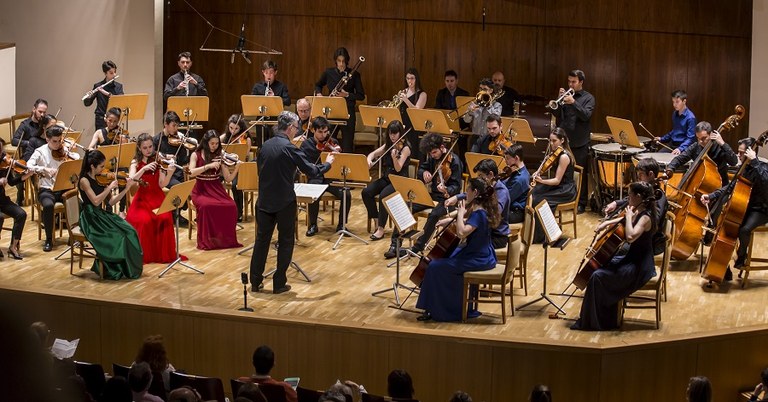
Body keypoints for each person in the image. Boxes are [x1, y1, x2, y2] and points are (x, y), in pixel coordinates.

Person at [250, 111, 334, 294]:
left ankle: (255, 282)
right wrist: (328, 164)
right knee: (286, 241)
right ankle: (279, 283)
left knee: (261, 241)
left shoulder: (264, 146)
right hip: (284, 202)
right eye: (296, 128)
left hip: (263, 201)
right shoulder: (290, 148)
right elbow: (312, 170)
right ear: (289, 128)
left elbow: (260, 172)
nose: (297, 131)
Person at [571, 181, 658, 331]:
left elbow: (630, 236)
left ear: (638, 196)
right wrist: (607, 223)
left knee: (597, 276)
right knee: (604, 265)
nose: (628, 198)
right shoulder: (640, 209)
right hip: (632, 259)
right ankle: (605, 318)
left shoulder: (646, 217)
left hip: (638, 267)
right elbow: (624, 220)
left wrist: (629, 217)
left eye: (629, 195)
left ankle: (593, 322)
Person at [416, 177, 499, 322]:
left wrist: (460, 213)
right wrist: (450, 220)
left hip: (478, 258)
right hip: (482, 254)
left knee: (435, 266)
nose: (465, 191)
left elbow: (462, 232)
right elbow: (471, 223)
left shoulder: (479, 212)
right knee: (447, 257)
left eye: (467, 189)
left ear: (475, 192)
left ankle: (445, 310)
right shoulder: (483, 208)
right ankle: (445, 304)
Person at [384, 133, 462, 259]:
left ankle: (417, 247)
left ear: (442, 147)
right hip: (432, 196)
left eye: (435, 152)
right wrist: (424, 172)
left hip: (449, 199)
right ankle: (395, 244)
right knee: (407, 207)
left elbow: (457, 186)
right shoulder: (432, 158)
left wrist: (446, 189)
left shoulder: (455, 162)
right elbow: (421, 169)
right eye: (431, 153)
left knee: (434, 215)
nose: (433, 155)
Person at [701, 137, 768, 280]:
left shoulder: (762, 167)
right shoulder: (742, 168)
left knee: (744, 229)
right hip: (745, 207)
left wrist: (755, 162)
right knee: (727, 229)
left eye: (742, 152)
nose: (738, 155)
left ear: (751, 152)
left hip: (761, 209)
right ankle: (724, 269)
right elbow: (731, 187)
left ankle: (741, 257)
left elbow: (766, 184)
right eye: (738, 152)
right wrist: (712, 196)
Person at [78, 150, 143, 280]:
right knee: (119, 237)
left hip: (100, 214)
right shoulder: (84, 180)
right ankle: (113, 268)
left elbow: (112, 201)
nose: (104, 169)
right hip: (90, 217)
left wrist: (126, 188)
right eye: (101, 166)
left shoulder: (101, 178)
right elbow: (95, 201)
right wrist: (109, 187)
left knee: (130, 231)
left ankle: (127, 268)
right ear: (92, 166)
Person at [125, 133, 182, 264]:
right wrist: (143, 169)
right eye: (145, 148)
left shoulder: (158, 159)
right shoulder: (135, 163)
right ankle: (143, 255)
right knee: (143, 221)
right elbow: (131, 182)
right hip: (142, 198)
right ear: (139, 148)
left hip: (157, 196)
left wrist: (170, 172)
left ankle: (162, 254)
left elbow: (162, 184)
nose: (149, 150)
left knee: (164, 217)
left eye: (150, 146)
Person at [27, 125, 81, 251]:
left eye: (59, 141)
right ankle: (49, 239)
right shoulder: (40, 151)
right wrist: (43, 169)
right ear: (47, 139)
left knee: (78, 203)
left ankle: (73, 236)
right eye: (54, 141)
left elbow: (77, 158)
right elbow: (29, 166)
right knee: (48, 206)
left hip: (63, 187)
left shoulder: (64, 150)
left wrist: (70, 152)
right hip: (47, 189)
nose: (57, 145)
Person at [188, 129, 242, 250]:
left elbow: (228, 178)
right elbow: (190, 172)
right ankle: (208, 239)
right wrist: (208, 166)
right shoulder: (195, 155)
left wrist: (237, 167)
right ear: (206, 142)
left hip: (216, 187)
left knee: (231, 206)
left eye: (217, 143)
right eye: (212, 143)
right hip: (201, 189)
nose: (214, 146)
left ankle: (222, 239)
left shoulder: (220, 155)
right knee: (206, 207)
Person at [604, 157, 668, 255]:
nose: (638, 178)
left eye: (640, 175)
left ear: (650, 174)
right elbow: (631, 198)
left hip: (649, 241)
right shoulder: (644, 192)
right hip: (637, 235)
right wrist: (616, 203)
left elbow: (654, 219)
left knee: (614, 251)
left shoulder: (659, 197)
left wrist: (632, 217)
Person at [300, 116, 350, 237]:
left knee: (346, 194)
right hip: (315, 178)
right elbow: (304, 165)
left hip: (331, 179)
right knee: (312, 194)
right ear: (313, 130)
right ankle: (313, 225)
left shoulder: (333, 143)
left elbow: (339, 165)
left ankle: (342, 225)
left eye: (325, 132)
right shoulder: (306, 145)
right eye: (320, 132)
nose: (323, 135)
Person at [362, 120, 412, 241]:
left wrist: (394, 158)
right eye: (390, 133)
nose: (393, 136)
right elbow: (373, 154)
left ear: (401, 133)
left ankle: (380, 229)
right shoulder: (388, 144)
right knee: (366, 192)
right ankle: (376, 218)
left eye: (395, 133)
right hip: (387, 178)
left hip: (399, 181)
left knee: (383, 196)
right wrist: (369, 160)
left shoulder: (405, 148)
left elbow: (398, 168)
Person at [553, 69, 594, 213]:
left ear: (581, 82)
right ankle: (563, 198)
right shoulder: (565, 96)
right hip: (564, 140)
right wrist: (558, 102)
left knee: (580, 172)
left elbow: (586, 115)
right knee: (562, 171)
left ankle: (581, 202)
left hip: (579, 141)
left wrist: (574, 102)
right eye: (569, 81)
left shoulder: (588, 98)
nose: (570, 84)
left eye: (574, 82)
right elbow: (557, 115)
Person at [445, 159, 510, 249]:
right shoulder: (486, 188)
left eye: (481, 176)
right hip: (484, 230)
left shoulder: (501, 191)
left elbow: (491, 216)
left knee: (460, 248)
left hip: (496, 235)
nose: (479, 179)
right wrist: (456, 197)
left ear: (490, 175)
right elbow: (472, 193)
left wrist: (460, 219)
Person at [314, 47, 365, 153]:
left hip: (348, 113)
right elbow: (318, 85)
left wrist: (347, 95)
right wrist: (319, 94)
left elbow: (361, 96)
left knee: (347, 145)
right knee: (327, 144)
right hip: (332, 112)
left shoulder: (354, 74)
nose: (341, 64)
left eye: (343, 61)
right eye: (339, 61)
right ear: (335, 61)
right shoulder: (328, 73)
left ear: (346, 61)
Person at [530, 128, 576, 243]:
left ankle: (541, 237)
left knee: (539, 200)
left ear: (562, 140)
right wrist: (539, 172)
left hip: (566, 190)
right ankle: (535, 231)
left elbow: (557, 180)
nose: (551, 144)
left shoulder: (564, 157)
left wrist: (542, 181)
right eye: (550, 141)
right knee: (534, 192)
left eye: (554, 141)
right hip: (559, 186)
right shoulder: (556, 154)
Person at [666, 121, 738, 187]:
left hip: (720, 187)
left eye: (703, 138)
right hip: (700, 186)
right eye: (698, 138)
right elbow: (679, 159)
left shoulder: (720, 147)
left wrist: (722, 143)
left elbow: (734, 162)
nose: (700, 141)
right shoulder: (696, 146)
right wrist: (670, 168)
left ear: (711, 135)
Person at [153, 111, 191, 226]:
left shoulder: (179, 139)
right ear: (166, 124)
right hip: (165, 174)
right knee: (178, 187)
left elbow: (184, 160)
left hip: (178, 171)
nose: (176, 128)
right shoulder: (157, 140)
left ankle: (176, 212)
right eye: (174, 125)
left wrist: (185, 145)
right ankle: (175, 214)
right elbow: (154, 157)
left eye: (177, 125)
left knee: (190, 187)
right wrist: (165, 156)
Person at [12, 98, 48, 204]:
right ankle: (20, 197)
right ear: (34, 109)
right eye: (40, 111)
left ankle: (40, 198)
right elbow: (14, 140)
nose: (42, 114)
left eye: (44, 112)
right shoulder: (25, 125)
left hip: (42, 157)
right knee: (18, 172)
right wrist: (29, 143)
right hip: (28, 156)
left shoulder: (45, 124)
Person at [0, 152, 34, 259]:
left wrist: (27, 175)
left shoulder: (4, 164)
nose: (2, 155)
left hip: (2, 200)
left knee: (21, 214)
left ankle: (13, 247)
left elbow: (12, 182)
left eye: (1, 151)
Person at [220, 114, 252, 222]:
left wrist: (239, 146)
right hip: (225, 167)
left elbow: (246, 155)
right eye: (231, 128)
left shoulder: (246, 139)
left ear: (241, 128)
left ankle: (239, 211)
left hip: (239, 168)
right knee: (211, 180)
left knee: (235, 185)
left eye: (236, 128)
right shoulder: (224, 137)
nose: (233, 131)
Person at [251, 60, 290, 145]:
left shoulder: (281, 86)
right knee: (261, 145)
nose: (269, 75)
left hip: (276, 121)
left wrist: (274, 98)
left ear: (275, 72)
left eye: (271, 72)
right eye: (266, 72)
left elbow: (288, 101)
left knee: (275, 145)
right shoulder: (257, 87)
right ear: (263, 72)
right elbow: (252, 102)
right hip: (261, 119)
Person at [83, 60, 124, 131]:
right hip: (101, 120)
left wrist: (105, 92)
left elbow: (120, 100)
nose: (114, 75)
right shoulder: (98, 86)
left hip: (114, 120)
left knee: (113, 141)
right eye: (111, 73)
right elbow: (87, 104)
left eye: (115, 72)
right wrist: (88, 97)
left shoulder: (118, 86)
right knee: (101, 141)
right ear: (105, 73)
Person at [397, 67, 427, 160]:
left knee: (414, 153)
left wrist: (405, 100)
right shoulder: (404, 91)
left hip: (415, 127)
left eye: (412, 78)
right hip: (404, 126)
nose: (410, 81)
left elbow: (416, 111)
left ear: (416, 79)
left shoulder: (422, 94)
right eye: (408, 78)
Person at [654, 90, 696, 155]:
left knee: (673, 161)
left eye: (677, 102)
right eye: (673, 102)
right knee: (658, 156)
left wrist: (680, 148)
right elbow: (674, 131)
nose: (674, 105)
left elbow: (690, 138)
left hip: (683, 146)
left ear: (684, 101)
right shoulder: (675, 114)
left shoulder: (690, 118)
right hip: (673, 144)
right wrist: (661, 139)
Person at [503, 144, 530, 224]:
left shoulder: (520, 179)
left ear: (516, 158)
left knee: (486, 216)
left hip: (514, 213)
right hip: (510, 208)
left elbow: (506, 199)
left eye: (507, 158)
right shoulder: (518, 171)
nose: (505, 161)